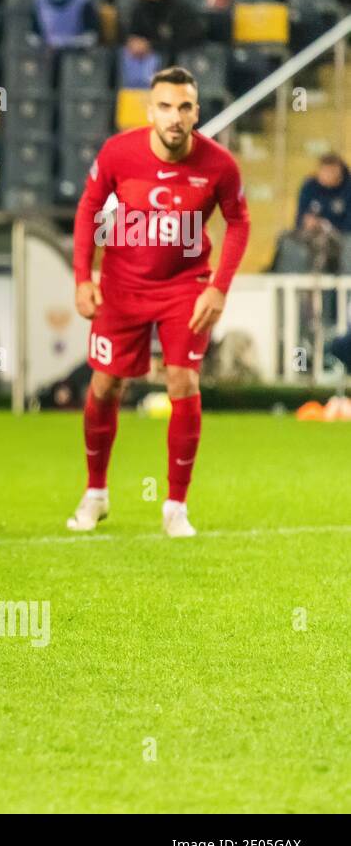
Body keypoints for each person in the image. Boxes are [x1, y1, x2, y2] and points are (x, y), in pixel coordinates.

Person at [69, 66, 250, 538]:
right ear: (150, 110)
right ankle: (95, 492)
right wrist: (81, 277)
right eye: (166, 106)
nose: (175, 116)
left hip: (185, 288)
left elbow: (239, 221)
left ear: (196, 111)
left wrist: (219, 287)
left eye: (185, 106)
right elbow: (89, 208)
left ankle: (175, 505)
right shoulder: (118, 153)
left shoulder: (219, 165)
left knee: (183, 382)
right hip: (121, 288)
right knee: (106, 385)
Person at [121, 0, 205, 88]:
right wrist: (134, 43)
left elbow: (192, 39)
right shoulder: (137, 8)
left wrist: (152, 46)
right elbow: (130, 34)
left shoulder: (179, 8)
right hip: (144, 64)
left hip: (176, 63)